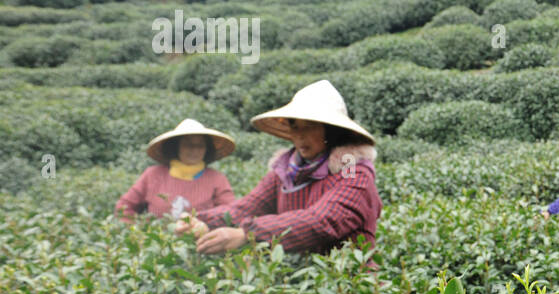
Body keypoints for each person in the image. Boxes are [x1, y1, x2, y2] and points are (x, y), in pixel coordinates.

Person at [175, 79, 381, 256]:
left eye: (310, 126)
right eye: (294, 126)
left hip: (349, 288)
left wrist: (248, 234)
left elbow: (321, 221)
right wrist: (200, 218)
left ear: (332, 131)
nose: (299, 135)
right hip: (296, 285)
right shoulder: (285, 171)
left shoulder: (353, 172)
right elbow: (245, 208)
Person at [116, 118, 236, 221]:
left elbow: (229, 211)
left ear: (206, 149)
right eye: (188, 144)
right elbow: (124, 207)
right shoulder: (153, 175)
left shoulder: (216, 179)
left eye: (200, 145)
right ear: (175, 147)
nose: (194, 150)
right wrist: (137, 234)